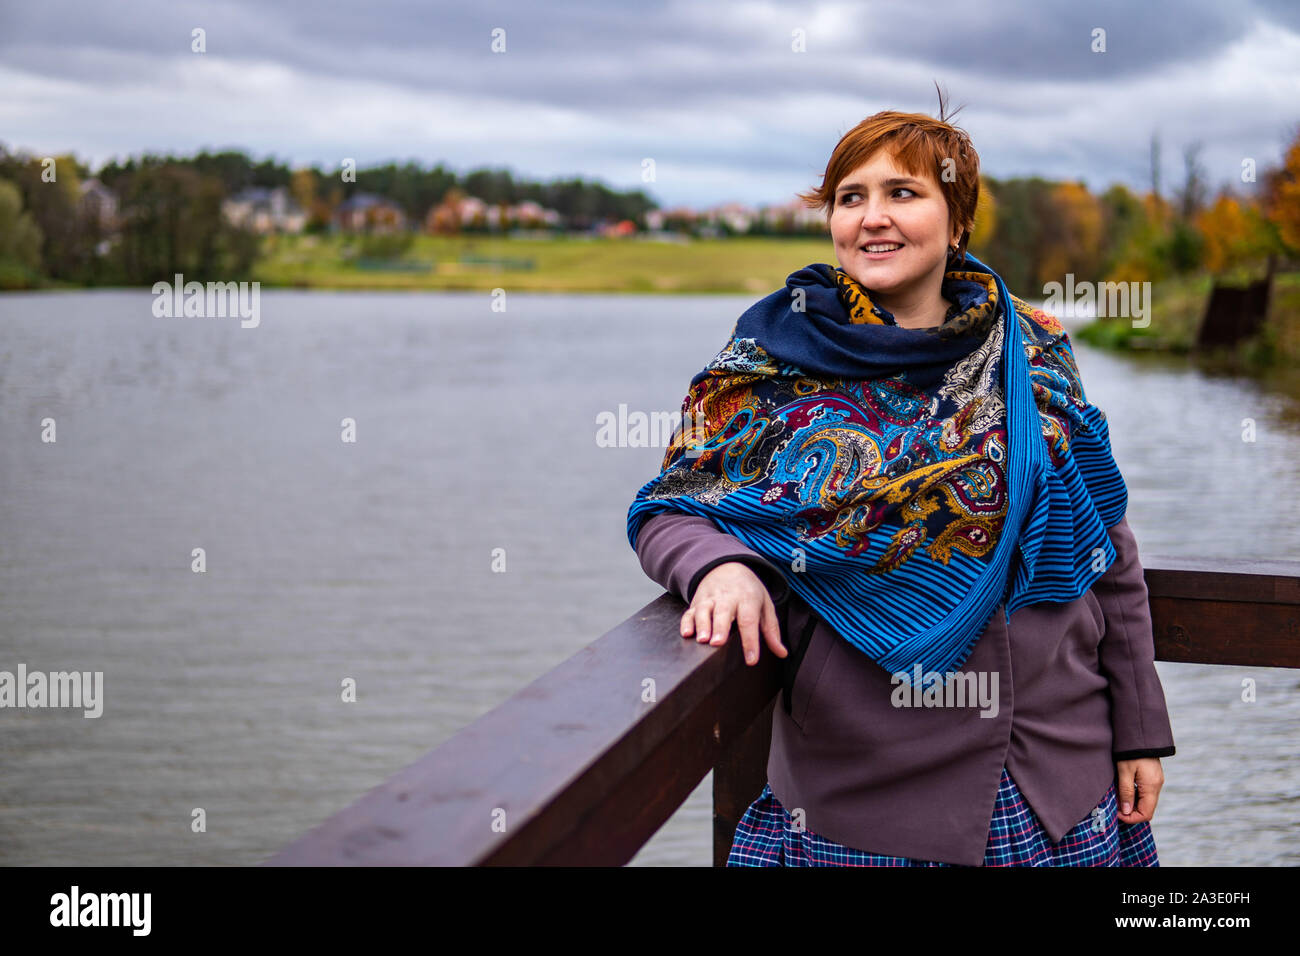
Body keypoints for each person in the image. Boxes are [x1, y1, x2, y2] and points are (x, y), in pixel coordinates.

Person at [626, 99, 1175, 867]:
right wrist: (718, 567)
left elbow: (1105, 542)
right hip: (866, 799)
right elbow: (674, 504)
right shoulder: (772, 358)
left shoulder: (1035, 348)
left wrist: (1140, 727)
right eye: (851, 198)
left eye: (903, 193)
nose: (872, 218)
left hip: (1064, 783)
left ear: (957, 225)